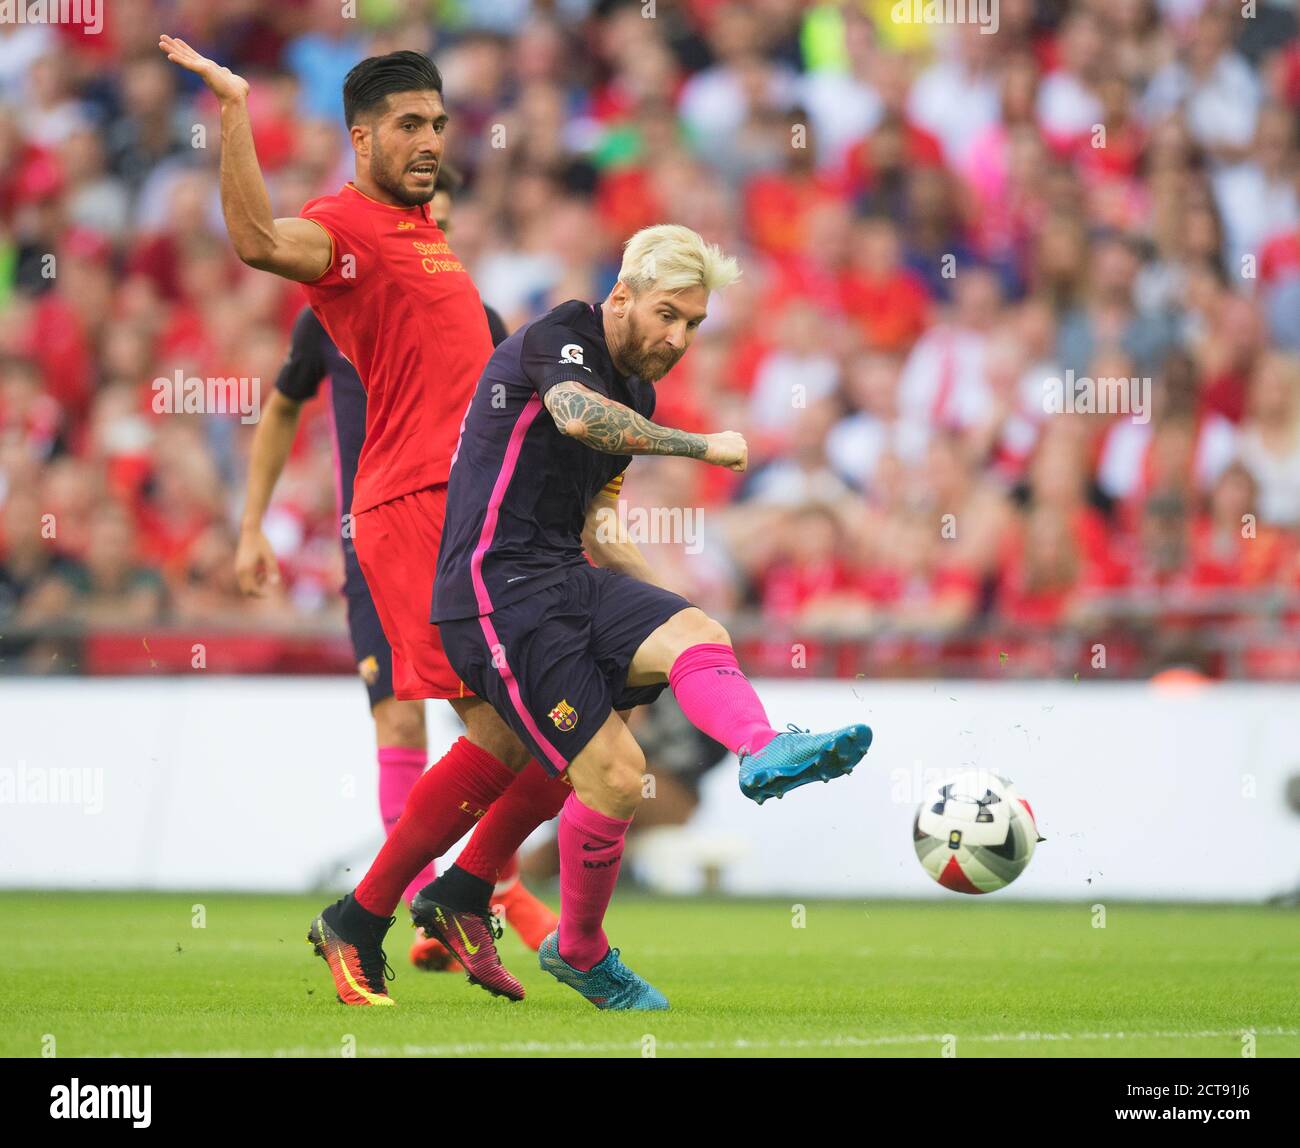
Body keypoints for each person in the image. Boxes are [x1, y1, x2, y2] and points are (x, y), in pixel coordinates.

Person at [158, 37, 574, 1006]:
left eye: (437, 122)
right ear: (360, 136)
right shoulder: (339, 225)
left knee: (552, 728)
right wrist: (233, 112)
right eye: (408, 125)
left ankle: (447, 896)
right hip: (414, 512)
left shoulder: (429, 236)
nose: (429, 139)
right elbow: (259, 242)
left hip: (478, 512)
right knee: (533, 728)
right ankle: (419, 905)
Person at [422, 223, 873, 1009]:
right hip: (494, 588)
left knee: (698, 634)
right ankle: (578, 946)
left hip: (563, 577)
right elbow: (575, 417)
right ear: (622, 295)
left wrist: (665, 606)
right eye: (668, 314)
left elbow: (597, 524)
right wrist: (703, 446)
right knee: (620, 777)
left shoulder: (638, 392)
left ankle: (761, 749)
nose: (679, 336)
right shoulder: (563, 336)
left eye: (694, 324)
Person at [233, 163, 557, 972]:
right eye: (421, 219)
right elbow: (280, 411)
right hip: (371, 539)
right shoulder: (334, 306)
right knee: (404, 721)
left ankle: (476, 890)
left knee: (498, 726)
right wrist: (251, 527)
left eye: (441, 225)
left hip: (457, 539)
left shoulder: (471, 315)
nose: (428, 238)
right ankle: (437, 904)